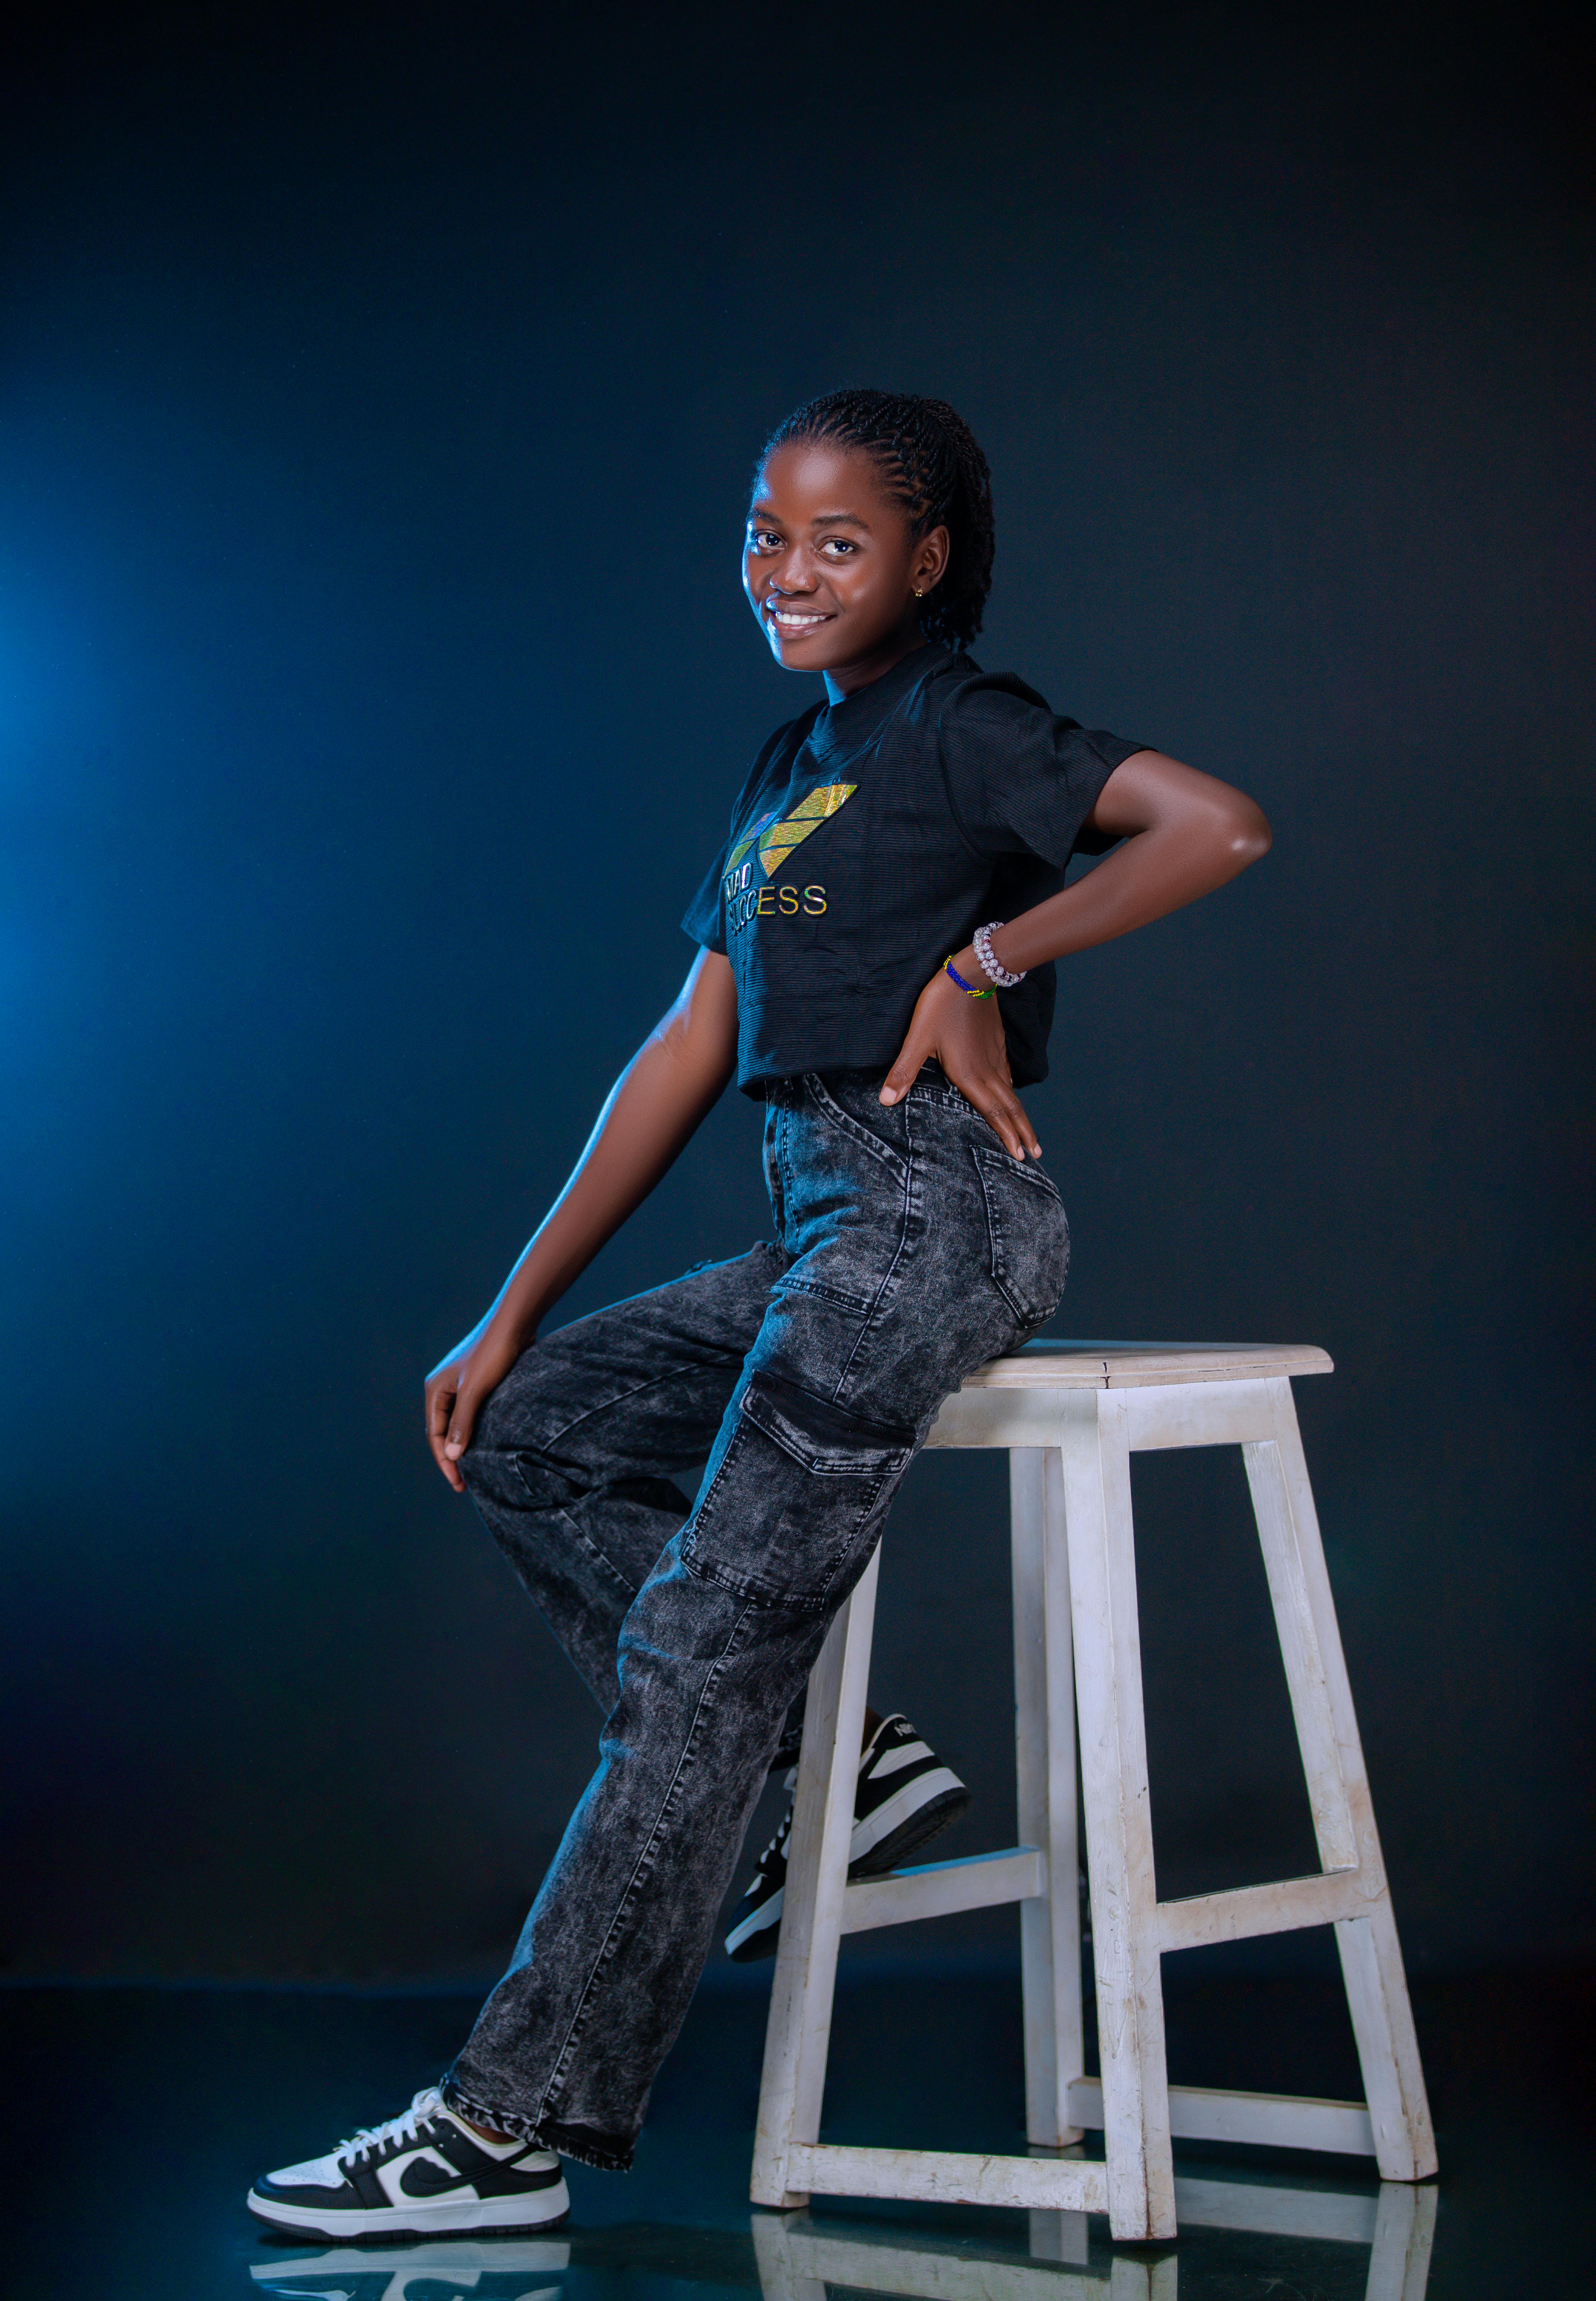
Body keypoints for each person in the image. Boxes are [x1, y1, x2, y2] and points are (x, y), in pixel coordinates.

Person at [248, 390, 1270, 2241]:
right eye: (764, 535)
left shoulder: (962, 724)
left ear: (926, 561)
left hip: (932, 1217)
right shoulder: (790, 760)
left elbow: (1215, 826)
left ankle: (504, 2129)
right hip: (816, 1224)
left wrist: (986, 960)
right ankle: (824, 1776)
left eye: (836, 543)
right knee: (536, 1433)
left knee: (694, 1650)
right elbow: (684, 1044)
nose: (785, 573)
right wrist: (507, 1314)